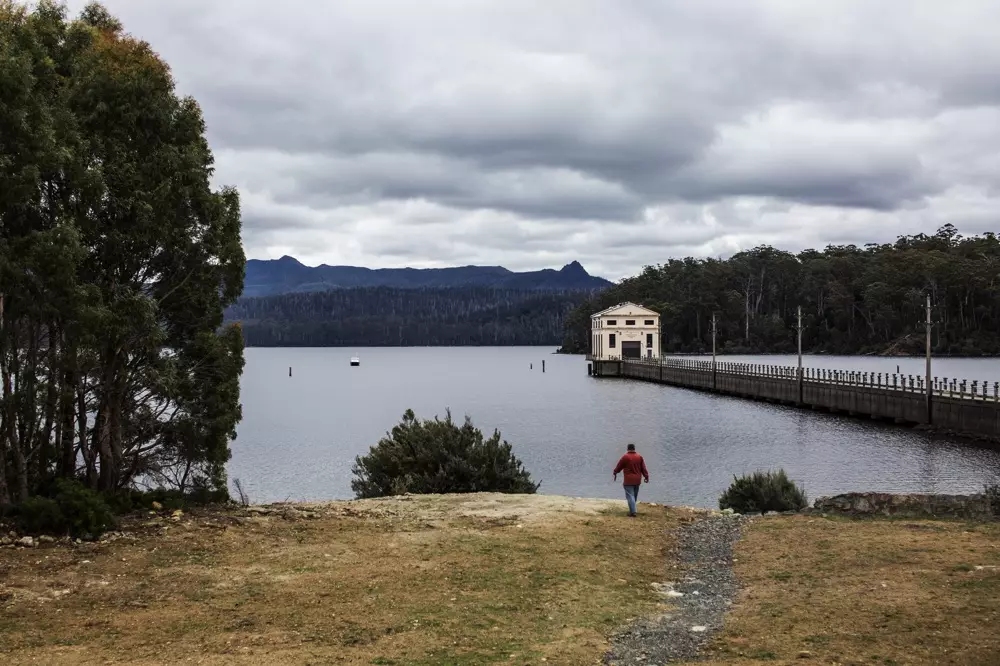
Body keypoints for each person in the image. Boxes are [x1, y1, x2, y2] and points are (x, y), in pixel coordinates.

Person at [612, 443, 649, 517]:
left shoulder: (625, 457)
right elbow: (643, 468)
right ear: (634, 449)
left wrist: (615, 471)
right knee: (634, 496)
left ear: (627, 449)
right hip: (637, 480)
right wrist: (646, 476)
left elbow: (619, 466)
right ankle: (632, 510)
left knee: (630, 496)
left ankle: (633, 512)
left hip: (628, 480)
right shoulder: (639, 457)